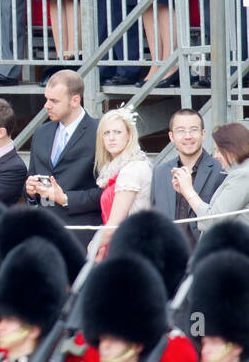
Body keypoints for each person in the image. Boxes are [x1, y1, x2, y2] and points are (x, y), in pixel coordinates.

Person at [24, 70, 103, 240]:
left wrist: (66, 199)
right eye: (46, 99)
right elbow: (33, 177)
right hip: (43, 232)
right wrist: (30, 192)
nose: (47, 105)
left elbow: (106, 191)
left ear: (75, 100)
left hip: (82, 234)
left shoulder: (100, 133)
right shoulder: (41, 133)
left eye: (54, 101)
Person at [152, 109, 226, 246]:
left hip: (206, 254)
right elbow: (153, 218)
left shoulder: (220, 169)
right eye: (180, 131)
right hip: (169, 257)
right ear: (171, 136)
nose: (187, 136)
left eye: (193, 130)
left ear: (203, 134)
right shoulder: (160, 172)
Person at [88, 108, 152, 260]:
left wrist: (93, 246)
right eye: (106, 133)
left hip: (133, 248)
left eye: (117, 132)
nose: (111, 138)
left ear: (129, 135)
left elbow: (113, 226)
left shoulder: (133, 169)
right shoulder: (116, 168)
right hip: (118, 245)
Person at [173, 122, 249, 232]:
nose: (216, 156)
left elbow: (214, 221)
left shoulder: (243, 175)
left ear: (233, 148)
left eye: (219, 150)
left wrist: (189, 191)